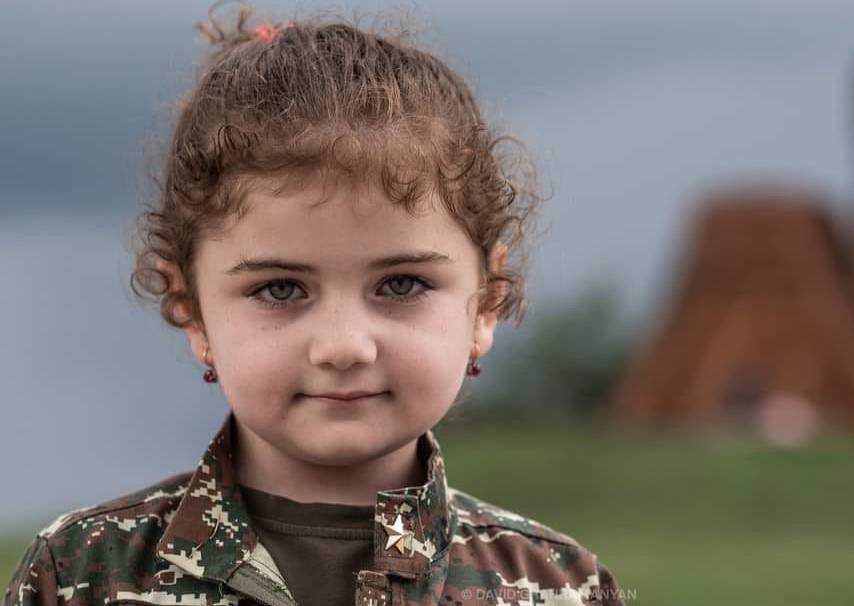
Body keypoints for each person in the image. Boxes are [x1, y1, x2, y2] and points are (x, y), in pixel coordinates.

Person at [3, 4, 624, 606]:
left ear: (486, 301)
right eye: (280, 289)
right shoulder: (81, 575)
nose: (343, 346)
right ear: (191, 310)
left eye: (401, 285)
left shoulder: (560, 587)